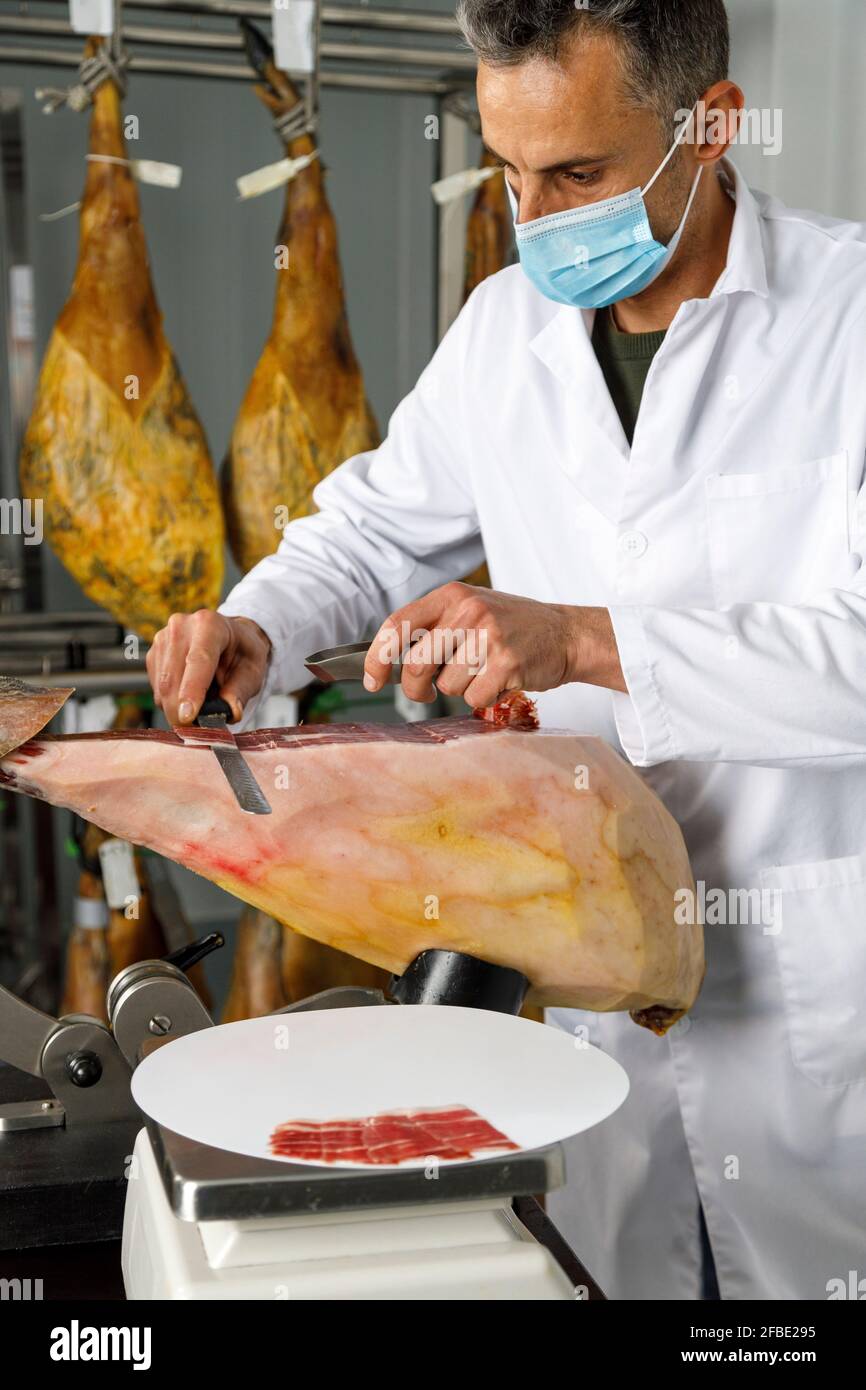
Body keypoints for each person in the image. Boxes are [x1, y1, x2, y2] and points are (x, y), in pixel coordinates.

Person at [147, 0, 866, 1300]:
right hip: (587, 974)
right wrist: (264, 618)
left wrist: (581, 637)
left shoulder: (849, 316)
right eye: (510, 173)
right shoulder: (503, 330)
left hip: (811, 985)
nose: (535, 216)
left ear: (709, 127)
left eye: (576, 174)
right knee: (590, 1278)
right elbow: (368, 527)